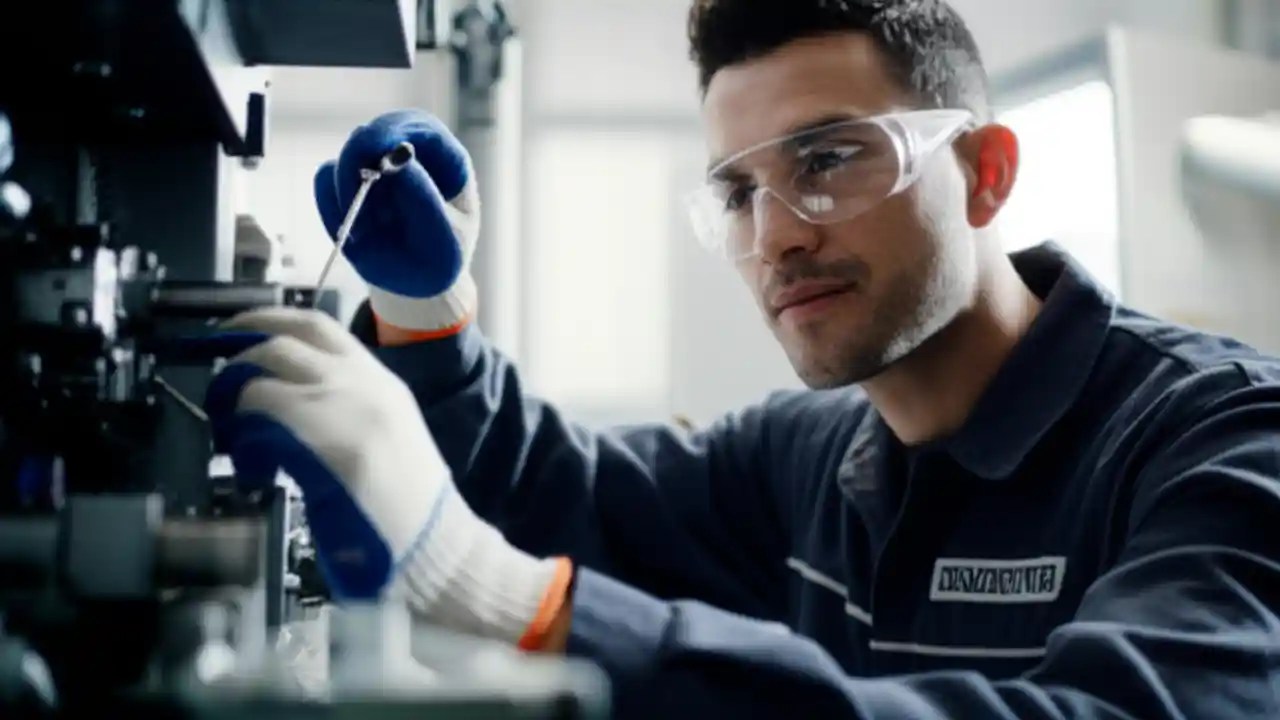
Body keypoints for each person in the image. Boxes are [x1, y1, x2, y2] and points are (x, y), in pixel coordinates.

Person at [204, 1, 1280, 717]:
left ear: (985, 174)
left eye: (828, 159)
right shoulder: (814, 457)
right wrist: (427, 325)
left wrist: (498, 597)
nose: (774, 237)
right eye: (736, 190)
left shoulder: (1223, 442)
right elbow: (565, 495)